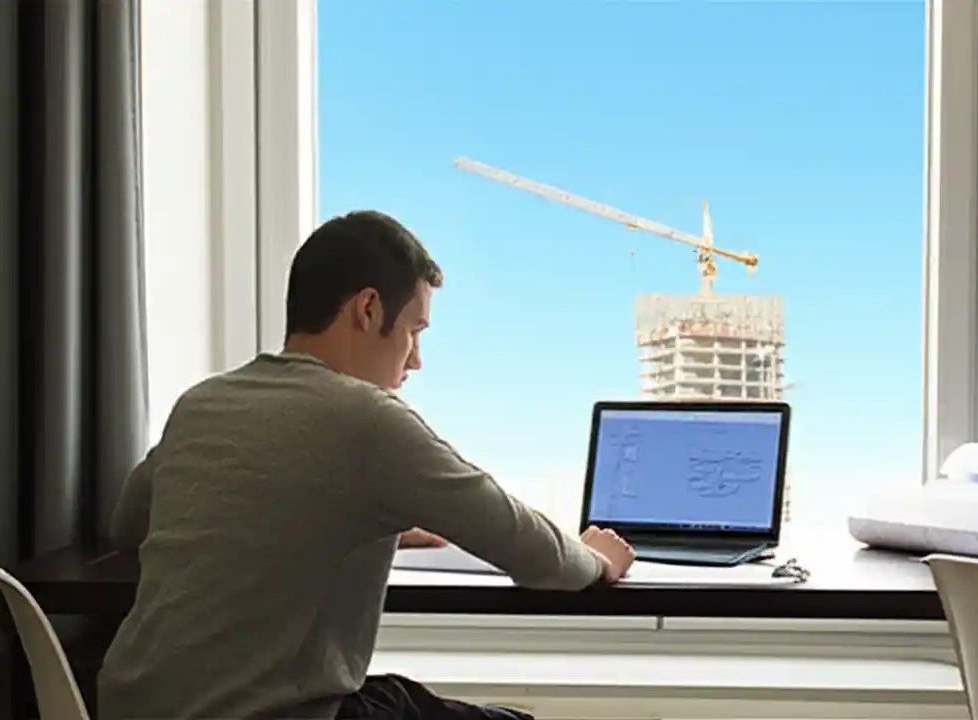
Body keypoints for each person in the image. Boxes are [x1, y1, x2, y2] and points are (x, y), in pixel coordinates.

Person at [97, 210, 636, 719]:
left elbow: (129, 523)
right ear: (368, 309)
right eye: (415, 331)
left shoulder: (203, 401)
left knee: (394, 696)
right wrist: (595, 557)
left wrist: (349, 520)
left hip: (125, 709)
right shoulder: (369, 421)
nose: (416, 359)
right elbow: (536, 553)